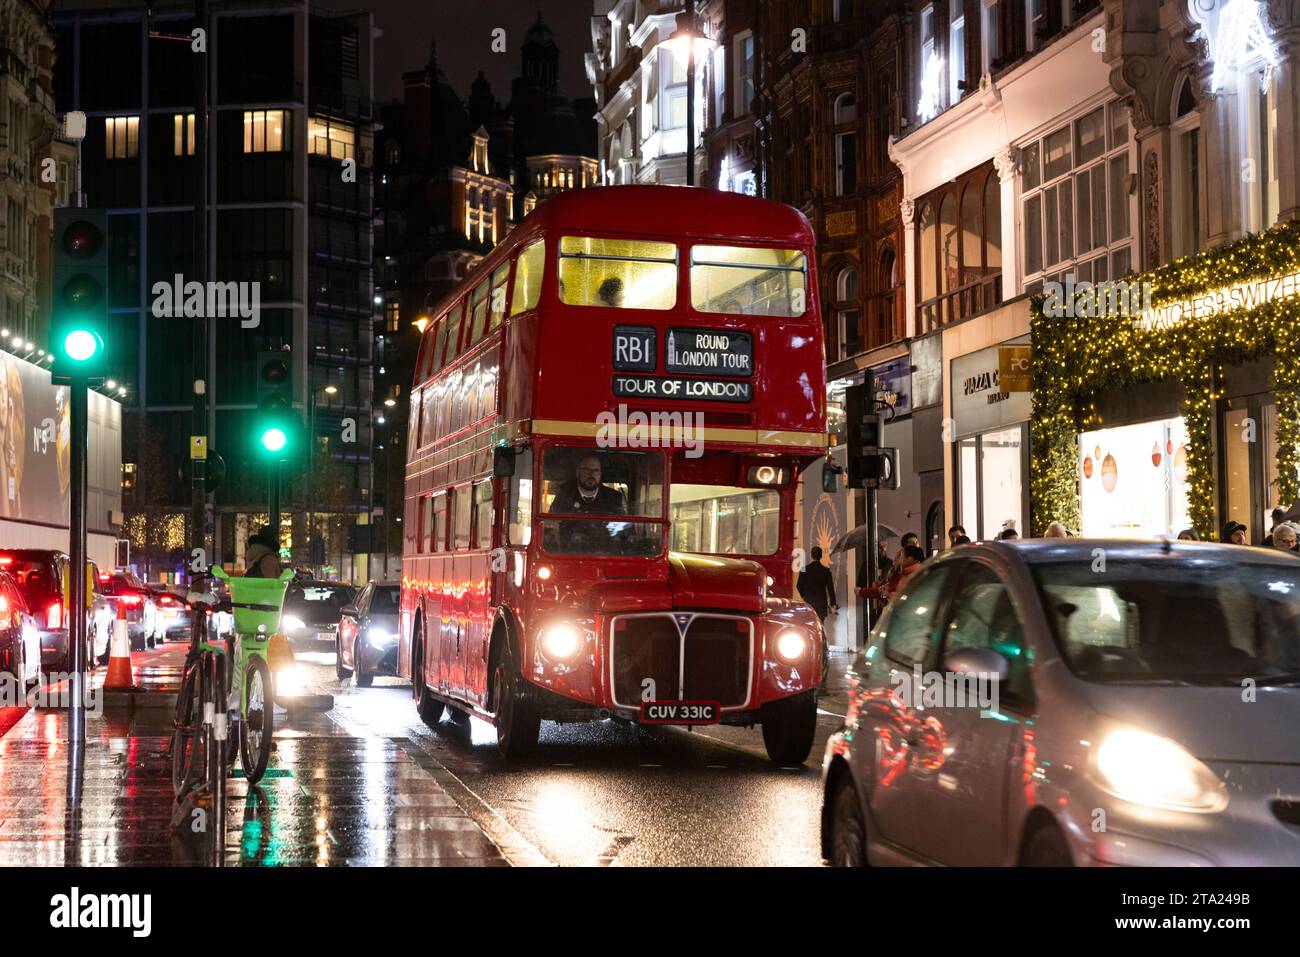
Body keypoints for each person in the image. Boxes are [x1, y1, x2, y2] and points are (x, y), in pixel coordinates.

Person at [796, 547, 838, 622]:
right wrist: (833, 603)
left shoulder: (804, 569)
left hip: (809, 601)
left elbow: (799, 585)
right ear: (821, 556)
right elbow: (830, 589)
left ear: (811, 555)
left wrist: (804, 595)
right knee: (820, 625)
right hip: (821, 603)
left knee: (809, 625)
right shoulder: (826, 570)